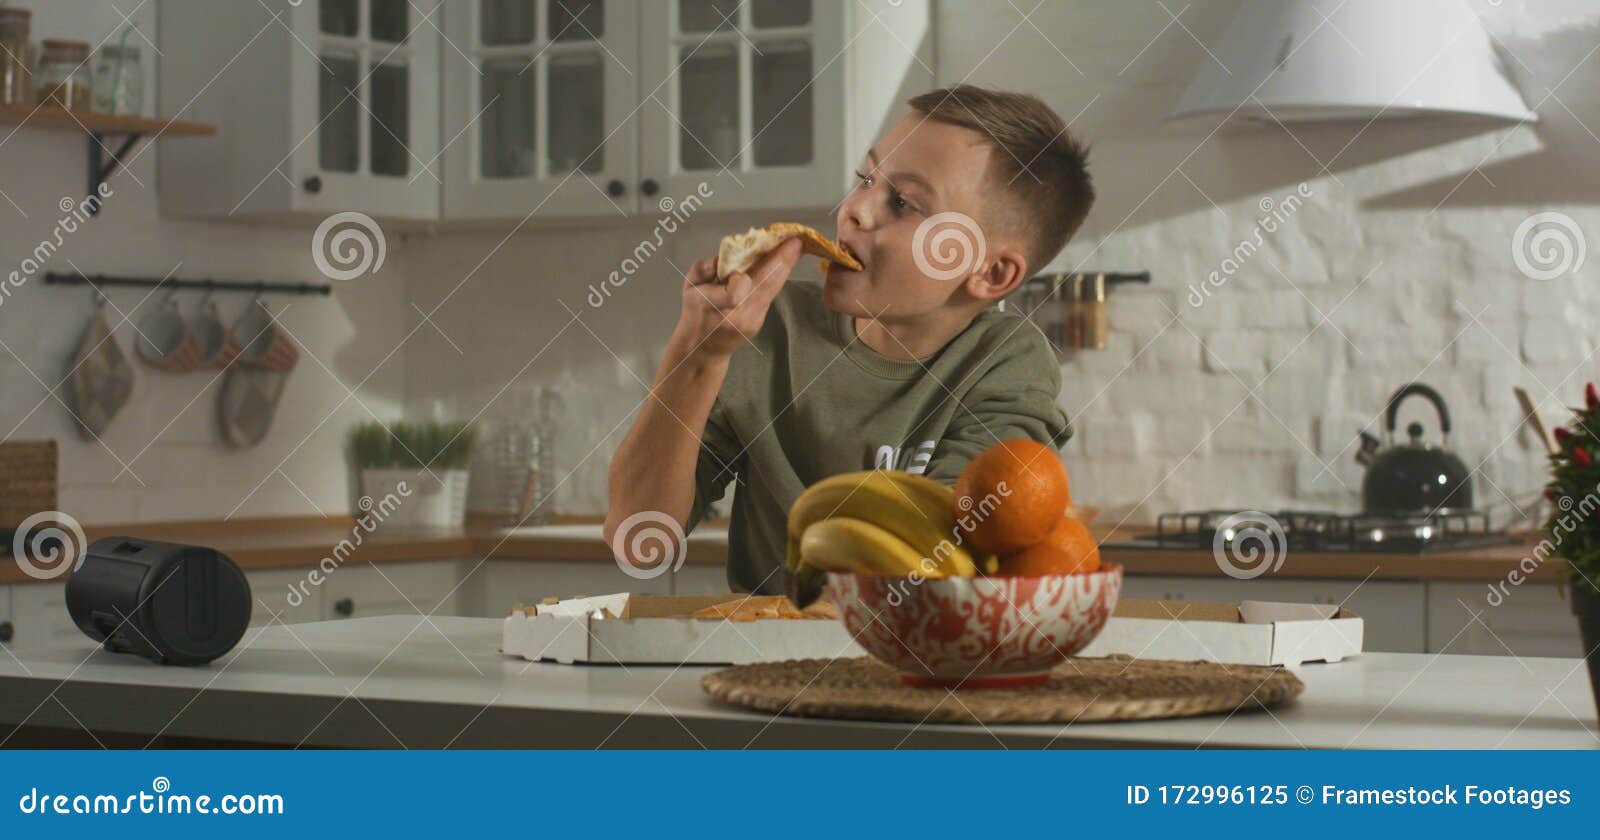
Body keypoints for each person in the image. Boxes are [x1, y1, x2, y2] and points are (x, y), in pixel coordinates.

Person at [605, 85, 1095, 595]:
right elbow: (637, 540)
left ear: (991, 273)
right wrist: (696, 355)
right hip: (758, 663)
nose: (855, 209)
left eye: (903, 202)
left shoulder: (1008, 364)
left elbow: (942, 565)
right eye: (866, 178)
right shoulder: (772, 329)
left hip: (914, 662)